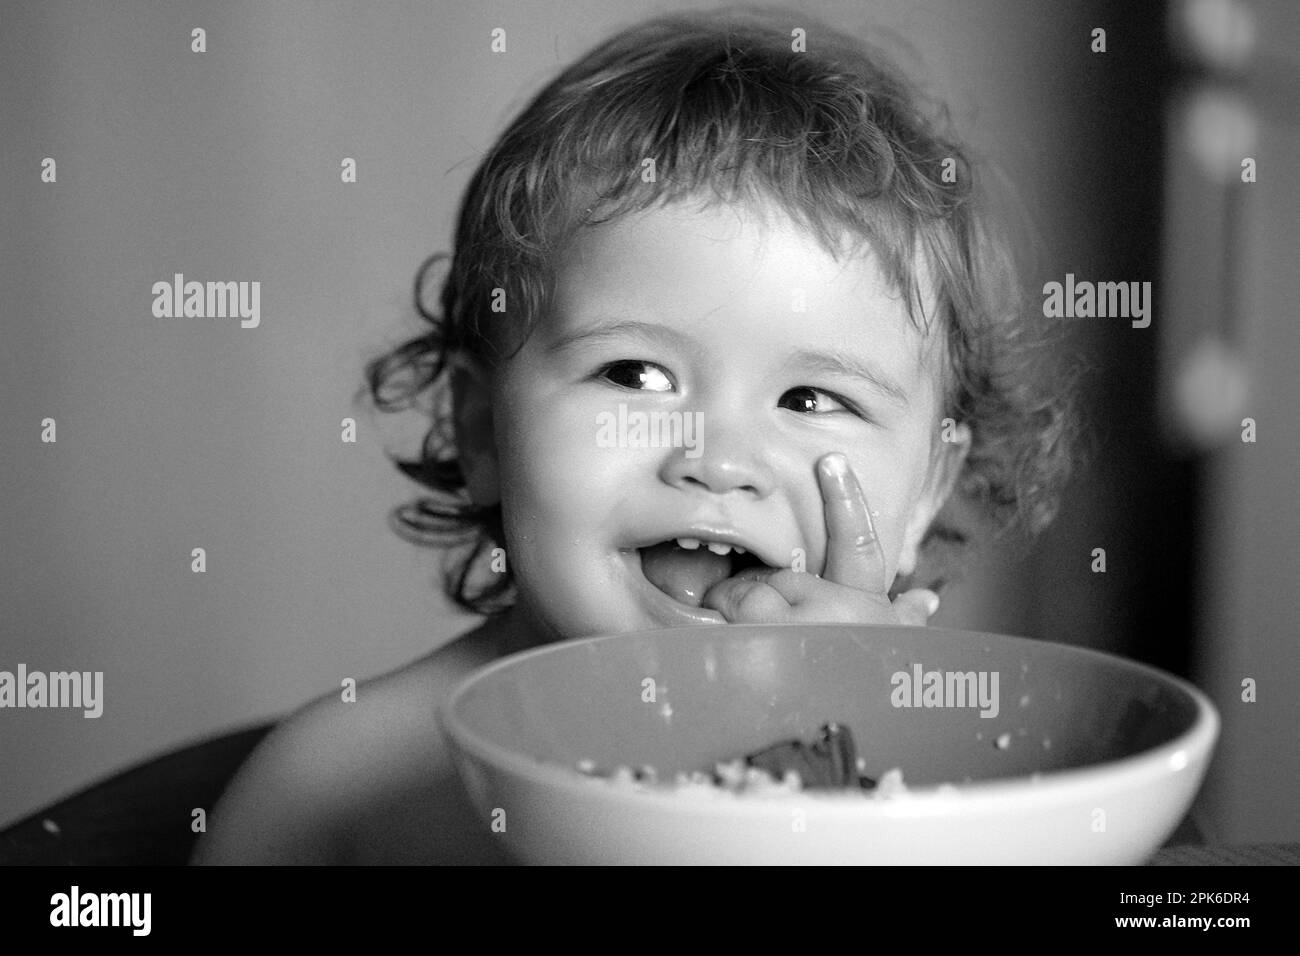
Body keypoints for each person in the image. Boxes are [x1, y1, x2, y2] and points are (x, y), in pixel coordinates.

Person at [192, 6, 1075, 864]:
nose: (719, 460)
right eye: (636, 376)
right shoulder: (342, 786)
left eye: (810, 400)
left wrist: (846, 774)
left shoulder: (945, 775)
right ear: (481, 430)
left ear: (924, 489)